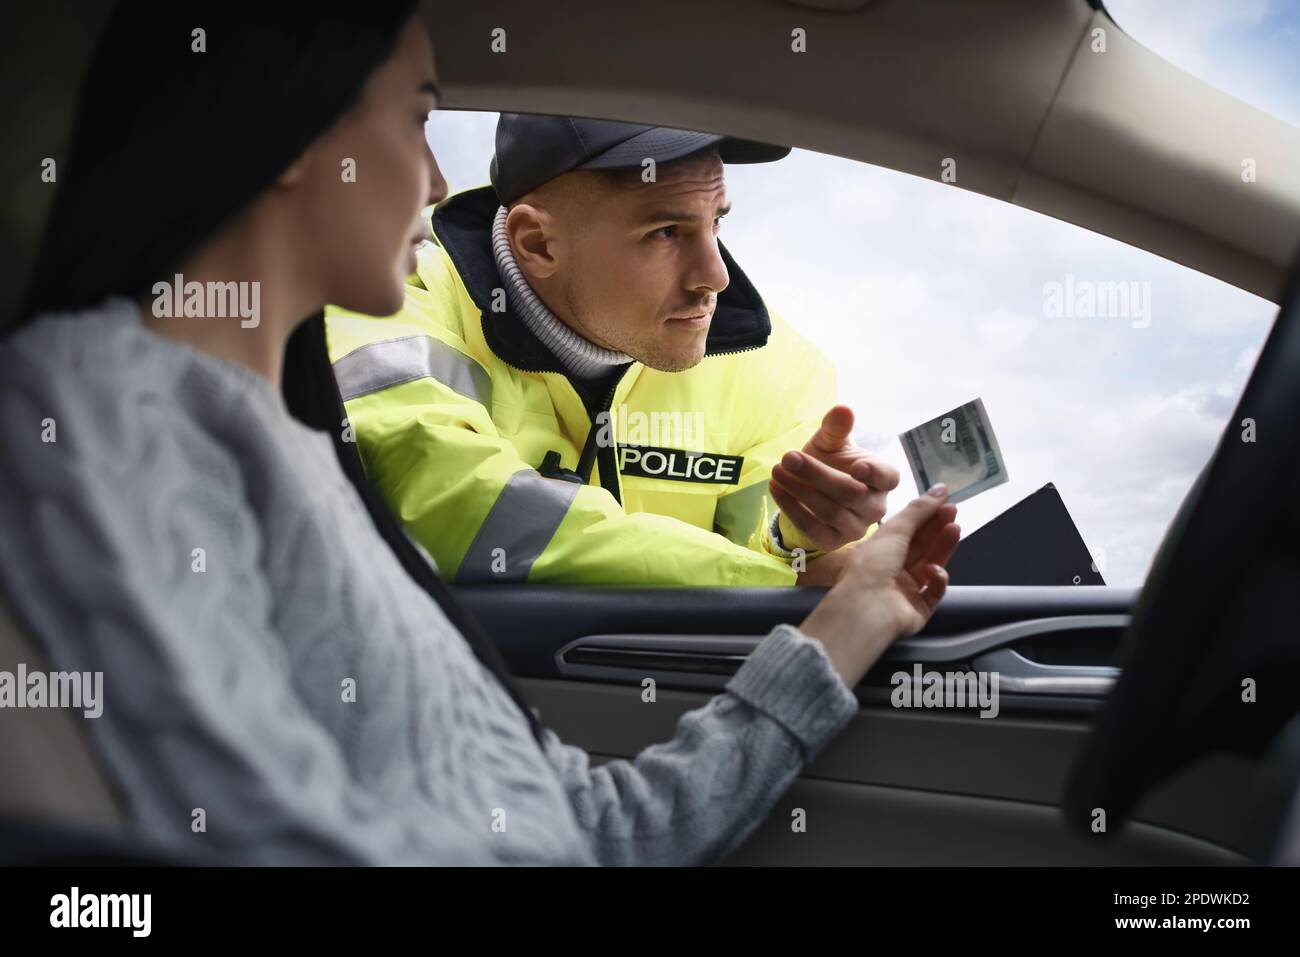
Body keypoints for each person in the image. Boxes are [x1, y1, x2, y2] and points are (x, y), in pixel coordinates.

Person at [0, 3, 959, 865]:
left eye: (715, 224)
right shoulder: (101, 410)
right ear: (298, 134)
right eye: (419, 116)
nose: (438, 177)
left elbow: (599, 827)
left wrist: (847, 612)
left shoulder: (308, 479)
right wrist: (782, 587)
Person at [324, 114, 902, 587]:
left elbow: (809, 558)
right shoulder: (384, 290)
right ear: (537, 243)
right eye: (666, 233)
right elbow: (452, 506)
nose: (715, 278)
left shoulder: (777, 367)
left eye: (715, 224)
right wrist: (772, 582)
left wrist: (802, 537)